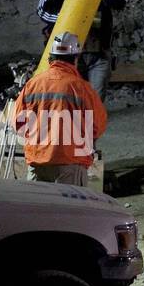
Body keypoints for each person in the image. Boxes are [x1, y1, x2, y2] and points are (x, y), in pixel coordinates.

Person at [14, 31, 108, 186]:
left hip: (38, 164)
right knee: (68, 210)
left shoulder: (32, 84)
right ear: (75, 58)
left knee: (38, 209)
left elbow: (19, 124)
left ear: (51, 57)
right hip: (70, 163)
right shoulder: (82, 88)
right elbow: (97, 125)